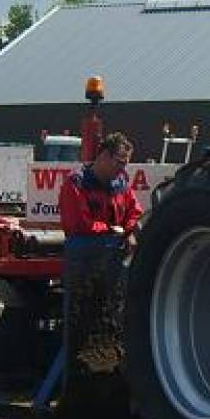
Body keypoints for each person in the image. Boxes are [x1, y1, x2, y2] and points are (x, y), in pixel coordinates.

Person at [58, 133, 143, 372]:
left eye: (126, 163)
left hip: (112, 260)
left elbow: (134, 212)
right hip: (85, 260)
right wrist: (112, 231)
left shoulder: (121, 184)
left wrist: (129, 231)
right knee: (82, 323)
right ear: (104, 156)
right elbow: (79, 224)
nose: (122, 168)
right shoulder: (76, 183)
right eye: (119, 162)